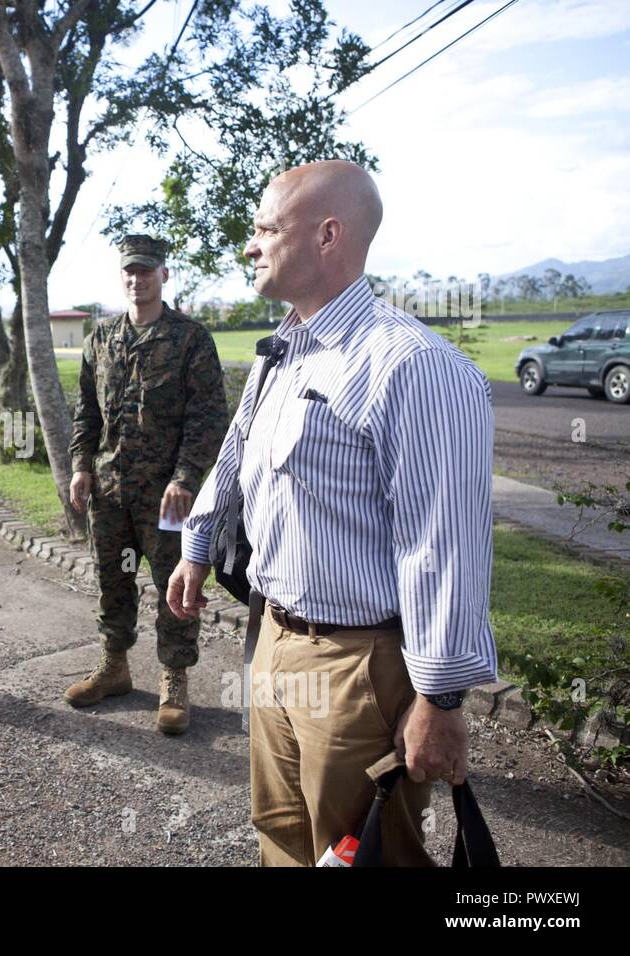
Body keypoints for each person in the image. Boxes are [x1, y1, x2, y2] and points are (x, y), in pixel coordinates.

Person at [167, 161, 498, 865]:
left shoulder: (412, 366)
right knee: (282, 837)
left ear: (327, 234)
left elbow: (442, 541)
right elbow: (238, 448)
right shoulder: (286, 347)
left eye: (265, 229)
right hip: (275, 638)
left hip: (360, 667)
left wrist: (439, 701)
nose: (250, 246)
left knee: (363, 854)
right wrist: (198, 544)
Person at [65, 235, 228, 734]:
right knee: (112, 579)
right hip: (111, 489)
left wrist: (185, 478)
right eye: (129, 272)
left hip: (168, 496)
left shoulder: (189, 338)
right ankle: (114, 666)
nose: (137, 280)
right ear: (123, 277)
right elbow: (86, 411)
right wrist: (80, 464)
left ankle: (174, 678)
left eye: (146, 271)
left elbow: (209, 416)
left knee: (174, 584)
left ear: (163, 275)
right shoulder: (101, 338)